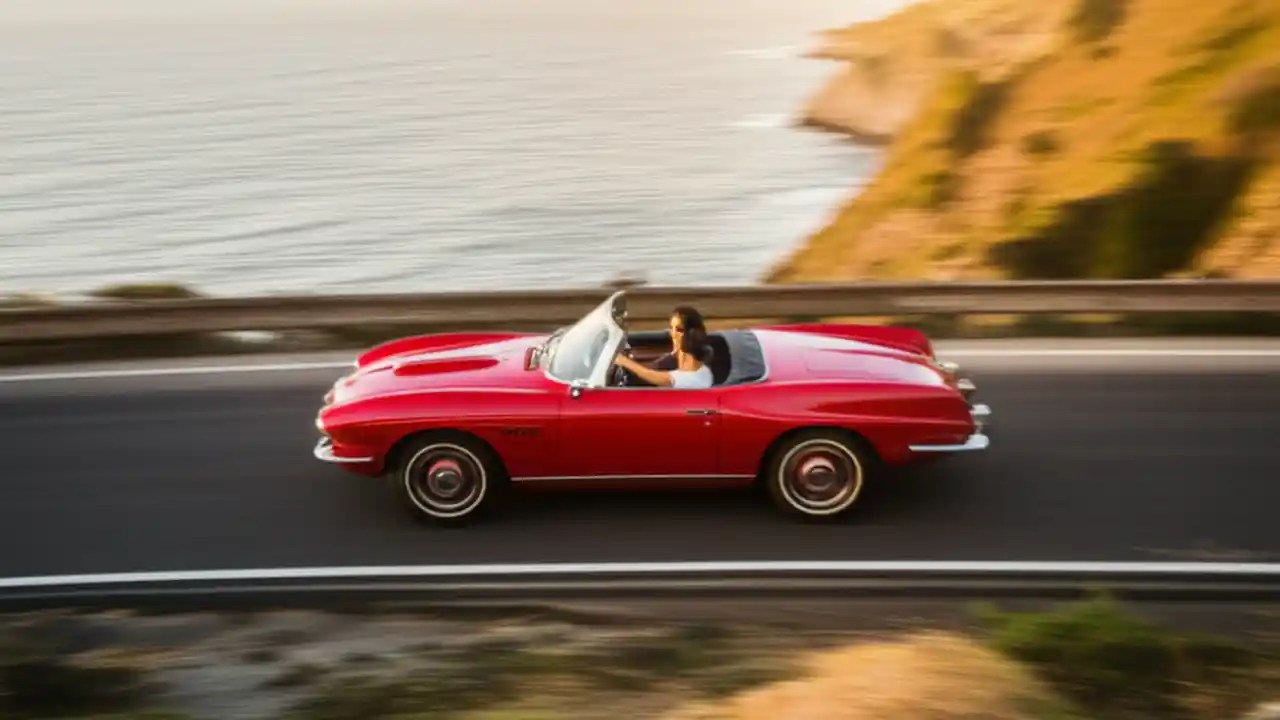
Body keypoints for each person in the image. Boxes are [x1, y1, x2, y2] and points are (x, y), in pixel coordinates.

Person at [613, 306, 713, 389]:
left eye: (678, 329)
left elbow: (649, 374)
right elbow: (654, 367)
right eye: (671, 328)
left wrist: (624, 361)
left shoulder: (683, 380)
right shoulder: (703, 370)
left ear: (691, 335)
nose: (672, 334)